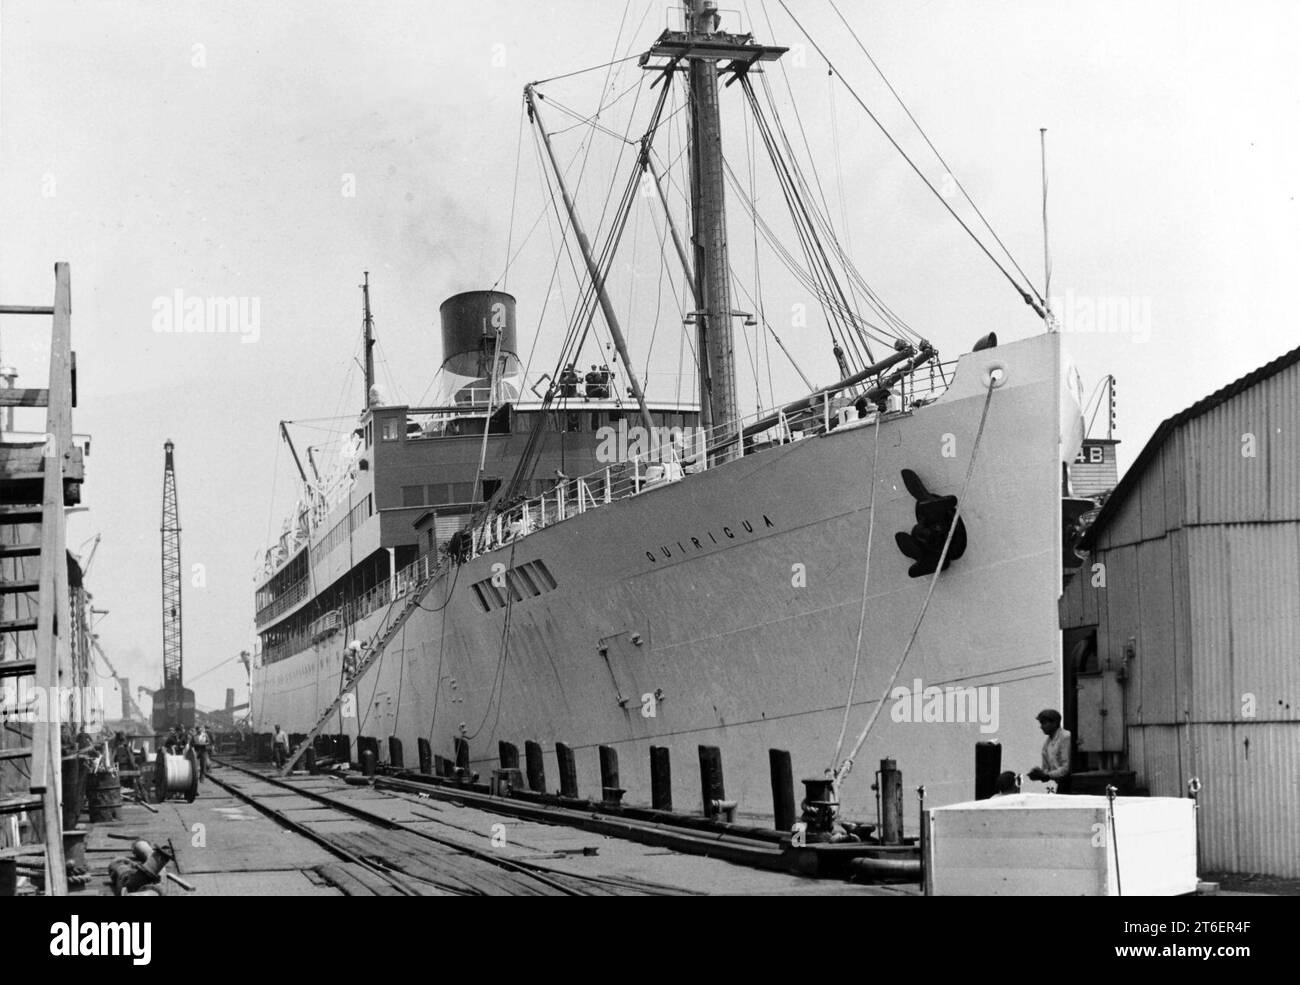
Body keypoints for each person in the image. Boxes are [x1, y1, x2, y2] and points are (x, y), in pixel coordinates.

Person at [1027, 708, 1072, 793]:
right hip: (1061, 784)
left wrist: (1047, 775)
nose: (1041, 727)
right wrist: (1039, 774)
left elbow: (1066, 768)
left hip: (1072, 784)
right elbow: (1046, 768)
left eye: (1044, 723)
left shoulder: (1065, 737)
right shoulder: (1047, 744)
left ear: (1054, 723)